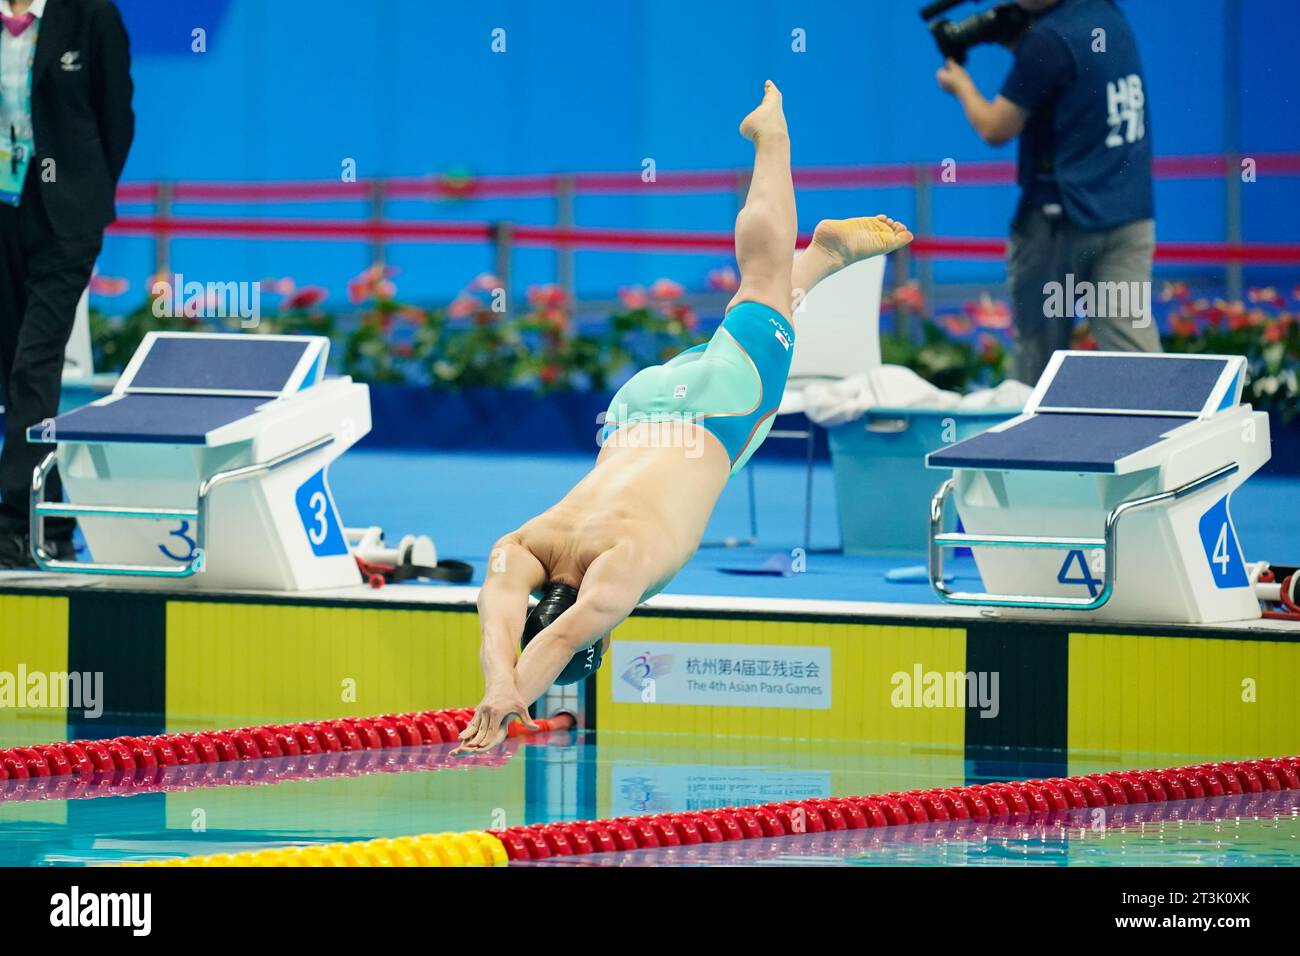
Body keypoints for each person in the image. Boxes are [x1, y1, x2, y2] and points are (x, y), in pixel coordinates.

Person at [454, 81, 913, 754]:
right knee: (762, 302)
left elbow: (561, 635)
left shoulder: (627, 567)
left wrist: (514, 697)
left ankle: (774, 139)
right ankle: (819, 263)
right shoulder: (525, 543)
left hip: (721, 412)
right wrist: (498, 682)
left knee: (759, 279)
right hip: (634, 409)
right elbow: (501, 615)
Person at [935, 0, 1158, 383]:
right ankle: (1166, 434)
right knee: (1133, 351)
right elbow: (1074, 85)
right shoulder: (1110, 15)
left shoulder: (1048, 40)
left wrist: (961, 86)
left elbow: (995, 128)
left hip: (1060, 222)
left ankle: (1033, 443)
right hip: (1129, 215)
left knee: (1038, 364)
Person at [0, 0, 134, 567]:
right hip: (6, 210)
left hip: (65, 217)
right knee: (14, 369)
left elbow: (116, 118)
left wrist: (86, 194)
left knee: (35, 363)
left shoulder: (90, 14)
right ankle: (51, 521)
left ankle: (13, 524)